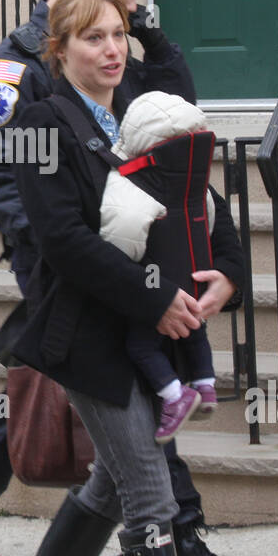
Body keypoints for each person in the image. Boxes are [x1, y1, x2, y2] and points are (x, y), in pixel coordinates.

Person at [0, 0, 272, 556]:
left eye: (126, 18)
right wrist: (64, 241)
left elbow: (176, 125)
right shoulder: (16, 73)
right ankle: (181, 547)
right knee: (120, 425)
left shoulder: (115, 62)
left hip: (122, 270)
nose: (131, 14)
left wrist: (150, 37)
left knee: (54, 402)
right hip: (69, 269)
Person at [13, 0, 244, 556]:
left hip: (152, 336)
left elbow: (200, 195)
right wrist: (156, 296)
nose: (113, 50)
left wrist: (230, 275)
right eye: (94, 38)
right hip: (91, 337)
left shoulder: (144, 104)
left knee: (112, 486)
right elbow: (61, 239)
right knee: (149, 495)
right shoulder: (39, 122)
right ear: (60, 50)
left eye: (119, 34)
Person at [99, 90, 226, 443]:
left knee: (141, 346)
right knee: (195, 329)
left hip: (156, 290)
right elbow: (211, 225)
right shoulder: (197, 189)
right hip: (194, 279)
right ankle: (206, 384)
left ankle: (175, 395)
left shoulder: (128, 187)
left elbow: (119, 241)